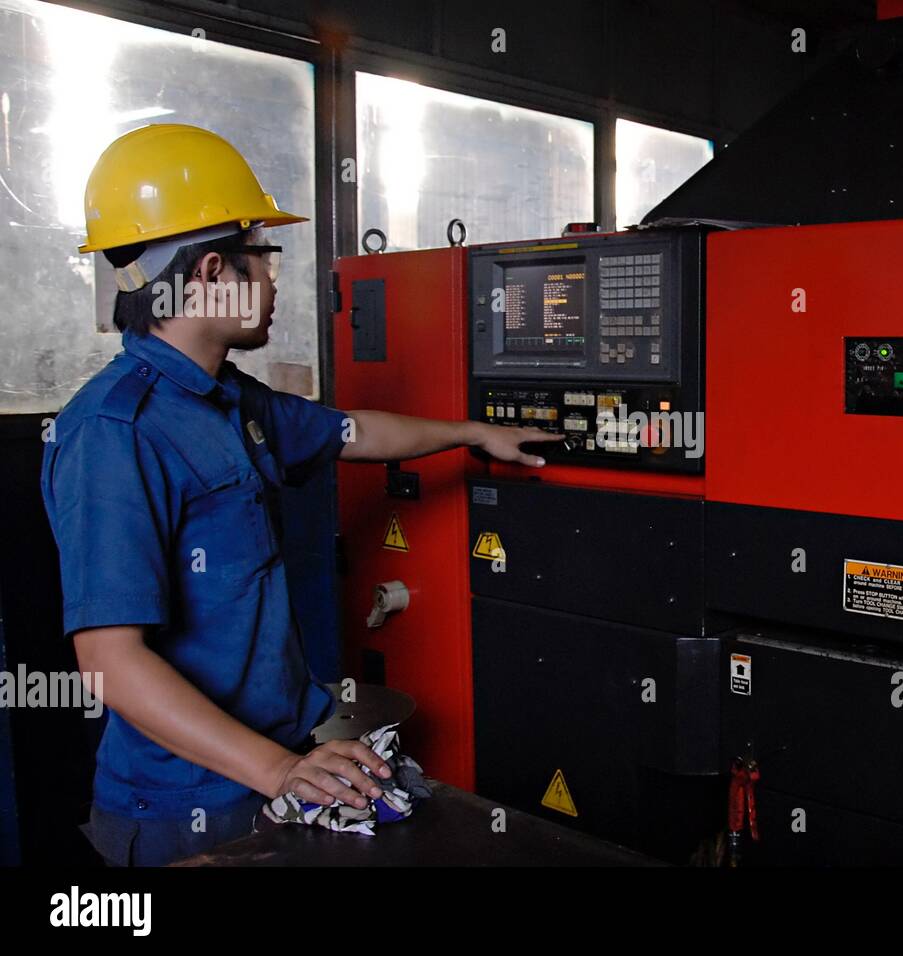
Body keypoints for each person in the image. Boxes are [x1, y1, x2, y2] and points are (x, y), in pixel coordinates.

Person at [40, 124, 560, 866]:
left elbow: (354, 432)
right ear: (213, 269)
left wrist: (473, 431)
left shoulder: (229, 402)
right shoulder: (116, 431)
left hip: (271, 774)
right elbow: (108, 662)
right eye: (265, 258)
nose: (276, 281)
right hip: (187, 807)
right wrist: (281, 771)